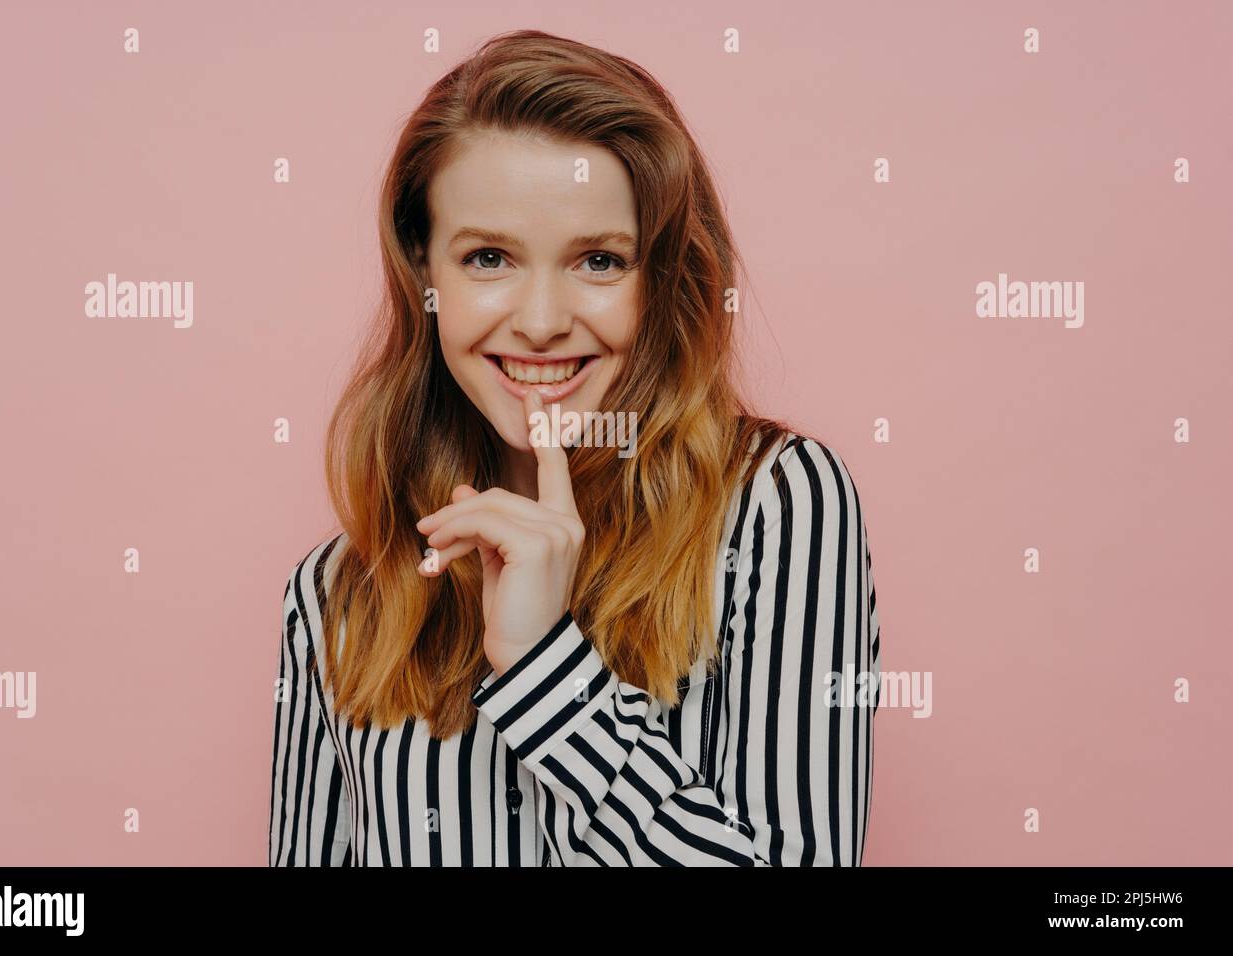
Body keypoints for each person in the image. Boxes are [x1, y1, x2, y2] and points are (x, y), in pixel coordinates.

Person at [268, 28, 881, 867]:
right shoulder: (337, 592)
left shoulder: (779, 508)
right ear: (423, 275)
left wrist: (545, 670)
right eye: (488, 257)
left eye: (598, 261)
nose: (542, 322)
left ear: (661, 280)